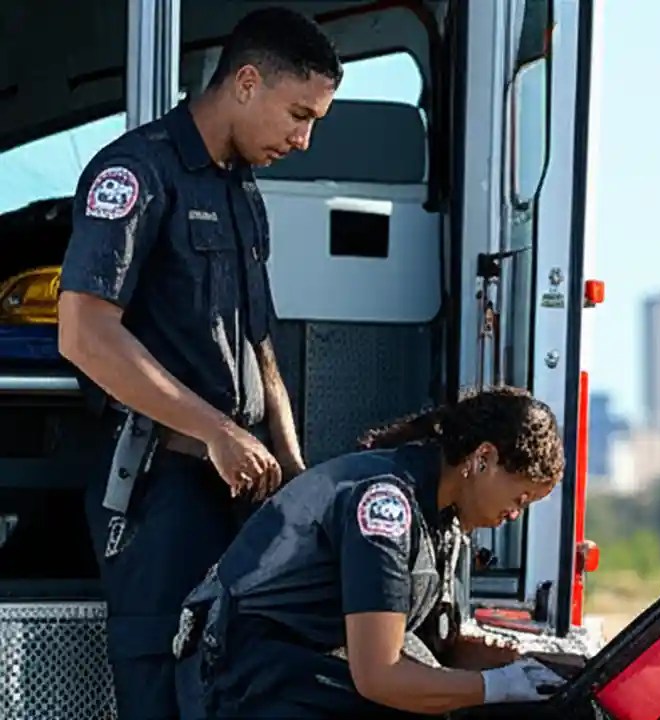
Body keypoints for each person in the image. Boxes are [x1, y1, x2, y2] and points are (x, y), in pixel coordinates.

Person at [56, 7, 342, 718]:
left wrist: (296, 475)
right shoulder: (136, 170)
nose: (303, 140)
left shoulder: (240, 187)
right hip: (161, 488)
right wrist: (216, 430)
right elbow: (84, 333)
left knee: (234, 689)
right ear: (247, 81)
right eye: (298, 114)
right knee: (161, 690)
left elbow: (261, 347)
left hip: (239, 489)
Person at [172, 386, 572, 719]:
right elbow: (380, 676)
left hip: (295, 673)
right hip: (249, 679)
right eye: (520, 497)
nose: (515, 514)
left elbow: (435, 647)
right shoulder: (386, 504)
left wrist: (528, 668)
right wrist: (498, 687)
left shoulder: (441, 517)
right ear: (483, 458)